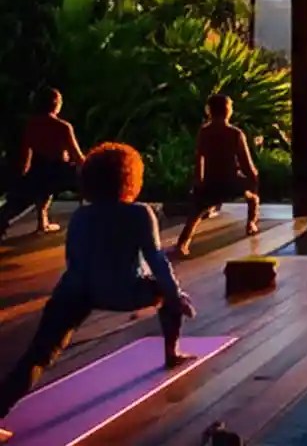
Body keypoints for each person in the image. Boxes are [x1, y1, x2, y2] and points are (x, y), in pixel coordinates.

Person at [0, 143, 197, 442]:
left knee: (38, 355)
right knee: (166, 292)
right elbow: (157, 260)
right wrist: (176, 296)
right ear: (130, 178)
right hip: (122, 292)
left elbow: (74, 261)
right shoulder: (140, 213)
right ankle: (172, 352)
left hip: (75, 291)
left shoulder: (81, 216)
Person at [176, 95, 260, 257]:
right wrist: (253, 178)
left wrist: (198, 182)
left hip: (210, 181)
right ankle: (251, 223)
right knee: (253, 198)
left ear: (210, 111)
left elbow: (199, 158)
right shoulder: (235, 133)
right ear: (228, 111)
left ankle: (183, 243)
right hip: (231, 181)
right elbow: (245, 162)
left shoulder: (205, 132)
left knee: (195, 215)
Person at [0, 87, 84, 238]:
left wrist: (22, 175)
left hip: (39, 169)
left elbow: (26, 155)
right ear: (56, 104)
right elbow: (76, 155)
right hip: (60, 170)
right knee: (82, 182)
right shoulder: (62, 126)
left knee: (27, 194)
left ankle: (41, 222)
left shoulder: (31, 125)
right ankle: (92, 218)